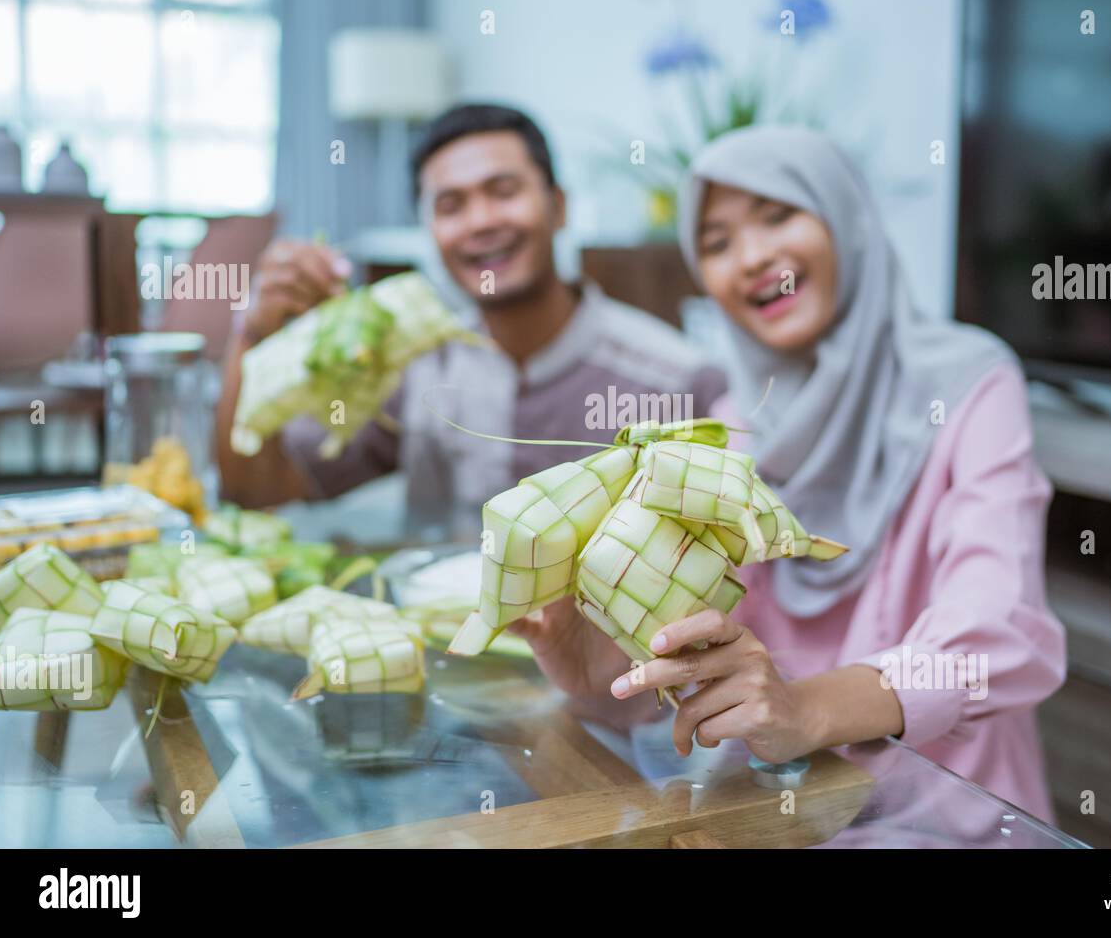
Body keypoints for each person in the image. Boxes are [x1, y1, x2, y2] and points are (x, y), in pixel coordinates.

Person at [512, 125, 1067, 824]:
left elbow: (1001, 633)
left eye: (779, 215)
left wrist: (808, 707)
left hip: (951, 819)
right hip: (779, 821)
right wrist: (609, 679)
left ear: (844, 219)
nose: (752, 257)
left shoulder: (968, 382)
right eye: (716, 242)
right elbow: (706, 673)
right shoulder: (733, 424)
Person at [216, 104, 726, 535]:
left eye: (503, 191)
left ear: (559, 207)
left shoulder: (677, 382)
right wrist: (256, 335)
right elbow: (258, 490)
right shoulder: (411, 366)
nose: (480, 222)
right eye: (451, 205)